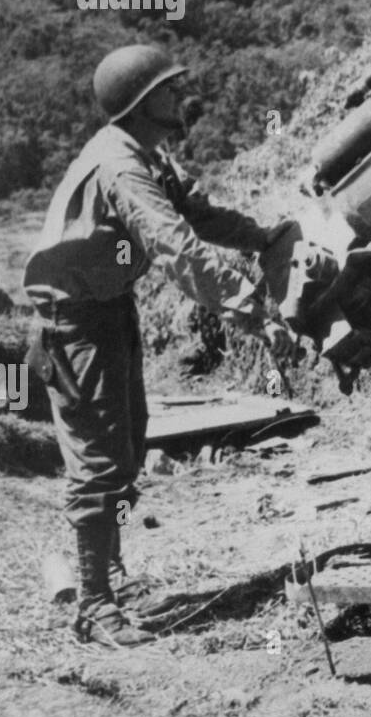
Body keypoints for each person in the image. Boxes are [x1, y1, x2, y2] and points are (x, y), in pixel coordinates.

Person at [24, 45, 297, 649]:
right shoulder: (121, 167)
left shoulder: (146, 155)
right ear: (143, 102)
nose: (181, 97)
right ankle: (93, 606)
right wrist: (254, 311)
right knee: (98, 464)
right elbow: (177, 250)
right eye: (170, 90)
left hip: (107, 307)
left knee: (126, 445)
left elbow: (195, 214)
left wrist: (261, 237)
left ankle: (110, 575)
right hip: (74, 322)